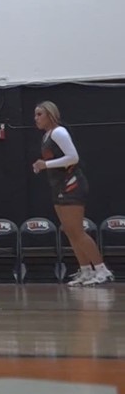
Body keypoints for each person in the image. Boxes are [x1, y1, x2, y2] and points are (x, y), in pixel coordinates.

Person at [32, 101, 114, 286]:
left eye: (39, 114)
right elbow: (57, 160)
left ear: (50, 115)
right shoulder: (46, 136)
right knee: (69, 231)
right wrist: (42, 166)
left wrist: (46, 165)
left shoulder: (59, 132)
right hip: (58, 186)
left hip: (72, 185)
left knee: (77, 231)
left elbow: (73, 157)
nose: (36, 118)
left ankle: (102, 270)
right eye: (35, 115)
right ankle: (85, 270)